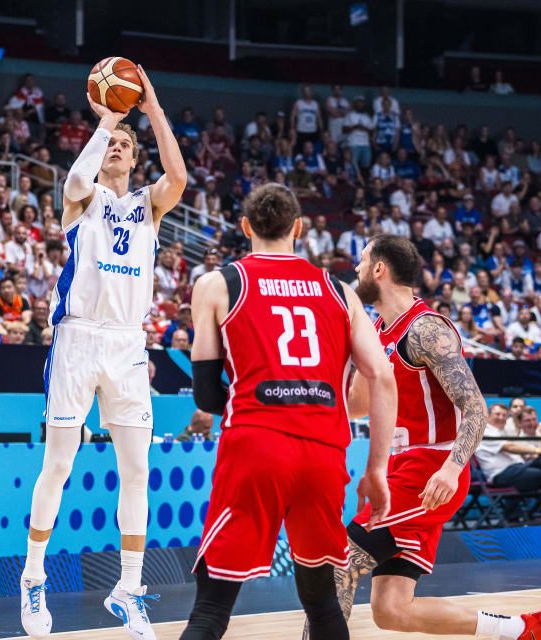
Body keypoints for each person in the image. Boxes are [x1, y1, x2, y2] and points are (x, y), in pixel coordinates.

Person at [180, 184, 396, 640]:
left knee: (209, 613)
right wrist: (377, 469)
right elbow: (381, 375)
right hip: (323, 455)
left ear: (246, 227)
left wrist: (260, 399)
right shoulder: (340, 291)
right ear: (298, 228)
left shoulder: (218, 283)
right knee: (323, 605)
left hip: (256, 447)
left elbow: (205, 393)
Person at [319, 234, 541, 640]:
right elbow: (355, 405)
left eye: (362, 261)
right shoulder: (374, 331)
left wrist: (451, 469)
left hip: (431, 468)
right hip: (400, 470)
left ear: (380, 269)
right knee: (392, 610)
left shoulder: (425, 330)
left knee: (338, 564)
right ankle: (521, 630)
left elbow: (476, 408)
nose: (356, 268)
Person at [21, 65, 186, 640]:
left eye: (123, 145)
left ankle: (129, 590)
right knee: (59, 464)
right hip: (77, 337)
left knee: (137, 470)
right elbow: (73, 180)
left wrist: (152, 109)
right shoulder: (82, 198)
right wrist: (107, 121)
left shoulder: (148, 204)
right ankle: (33, 576)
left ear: (134, 159)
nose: (115, 147)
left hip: (126, 342)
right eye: (109, 143)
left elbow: (178, 176)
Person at [474, 403, 541, 514]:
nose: (501, 417)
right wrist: (538, 450)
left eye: (504, 415)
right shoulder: (485, 432)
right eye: (497, 414)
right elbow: (510, 447)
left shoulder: (500, 432)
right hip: (502, 474)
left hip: (519, 469)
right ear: (488, 416)